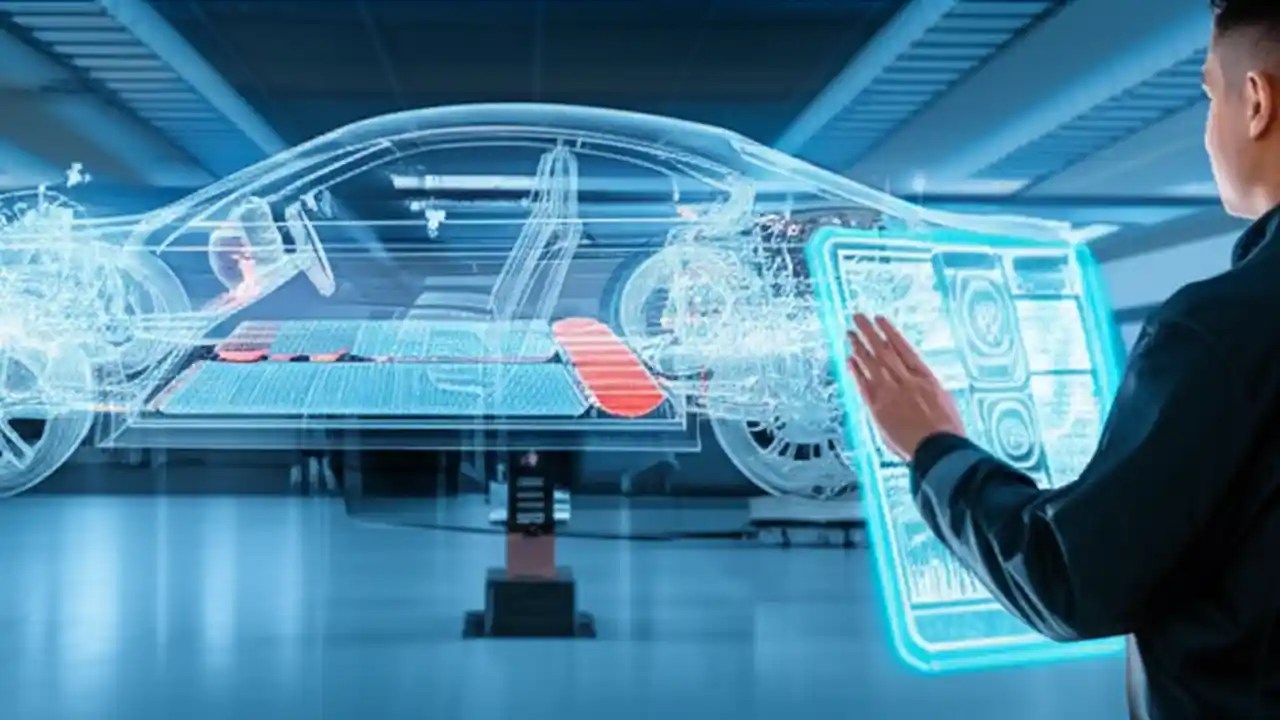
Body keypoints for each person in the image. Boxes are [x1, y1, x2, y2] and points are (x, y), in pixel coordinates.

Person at [845, 1, 1280, 718]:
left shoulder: (1222, 330)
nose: (1209, 131)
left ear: (1256, 102)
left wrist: (934, 447)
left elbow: (1069, 576)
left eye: (1209, 95)